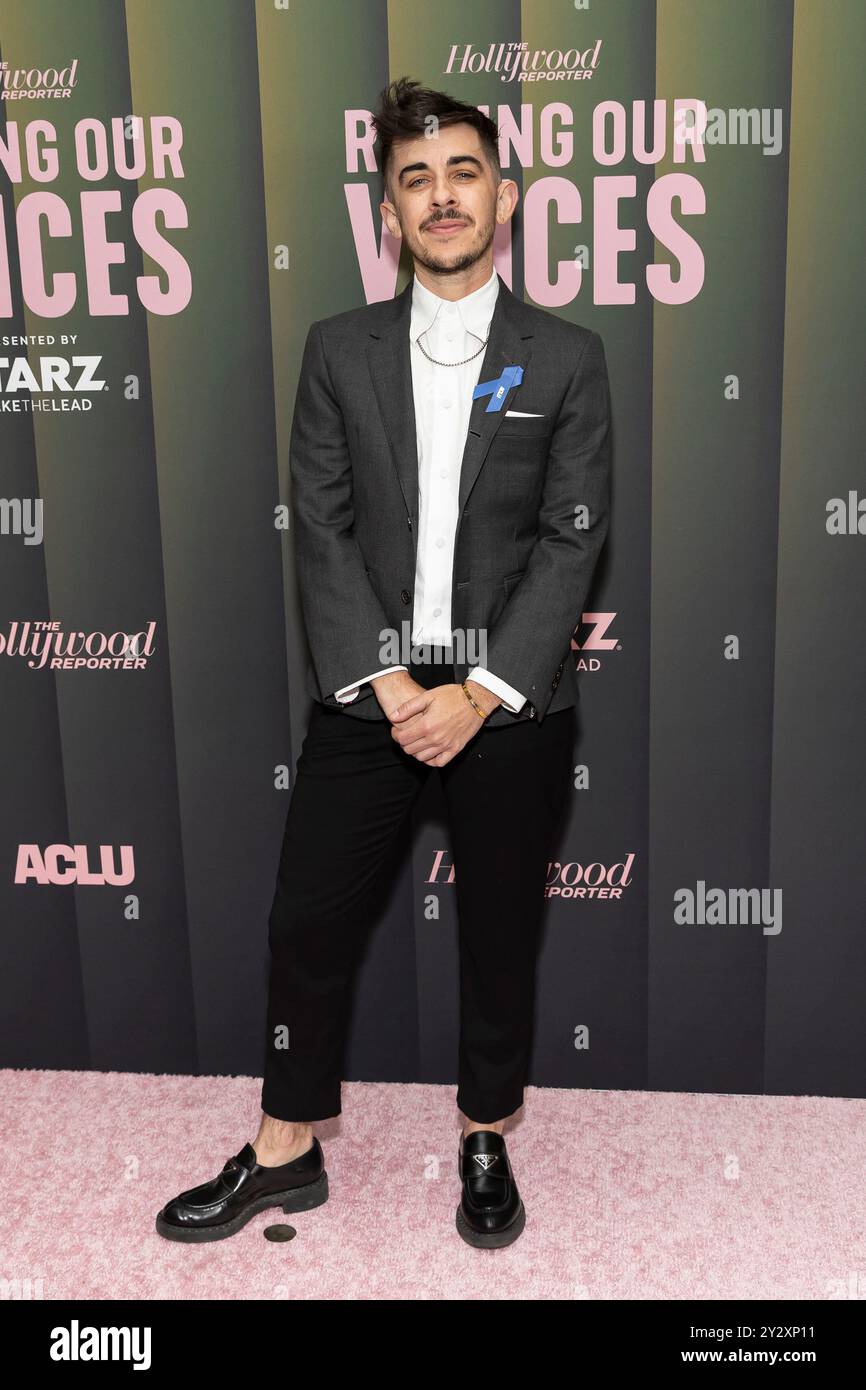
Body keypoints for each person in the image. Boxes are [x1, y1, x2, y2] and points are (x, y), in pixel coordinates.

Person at [156, 76, 611, 1250]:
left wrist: (475, 690)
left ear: (501, 196)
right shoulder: (335, 349)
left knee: (499, 929)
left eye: (461, 172)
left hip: (505, 703)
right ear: (388, 212)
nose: (441, 195)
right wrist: (395, 685)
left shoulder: (564, 357)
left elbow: (571, 538)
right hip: (373, 694)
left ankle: (483, 1135)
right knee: (307, 919)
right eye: (415, 179)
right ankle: (283, 1150)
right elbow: (320, 521)